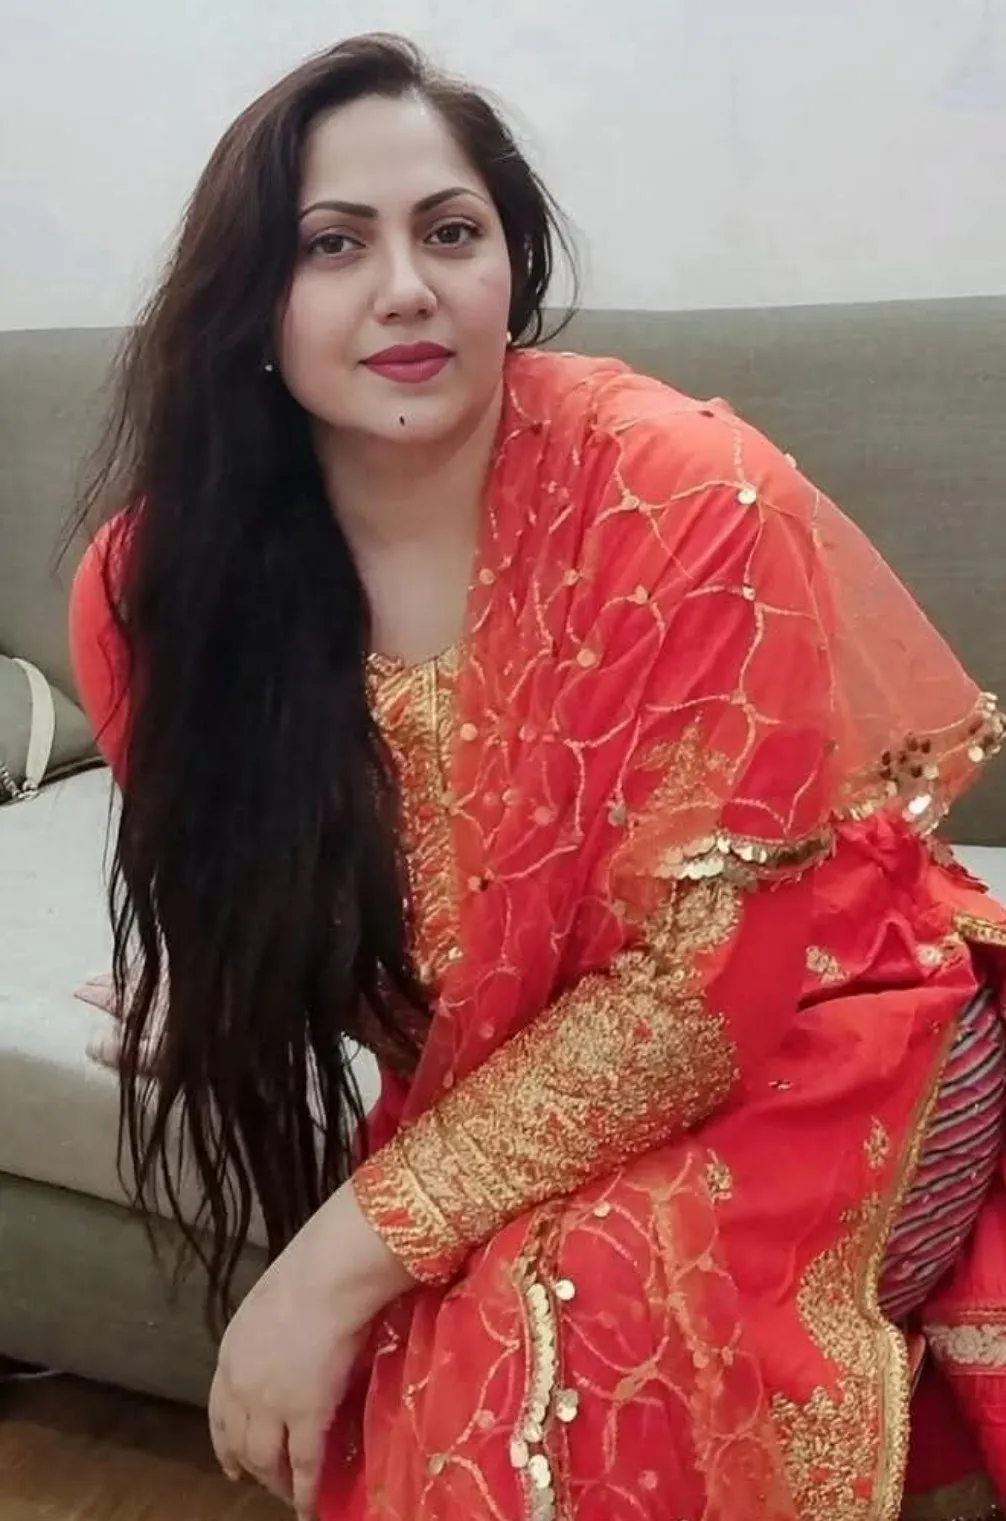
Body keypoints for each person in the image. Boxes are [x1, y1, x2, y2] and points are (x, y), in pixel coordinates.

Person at [68, 33, 1006, 1521]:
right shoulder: (161, 591)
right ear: (249, 297)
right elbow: (299, 879)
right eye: (331, 244)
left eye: (450, 232)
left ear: (511, 264)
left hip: (830, 1033)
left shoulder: (689, 498)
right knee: (468, 1353)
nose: (404, 287)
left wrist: (329, 1261)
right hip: (514, 1079)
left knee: (559, 1333)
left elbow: (702, 990)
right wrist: (233, 988)